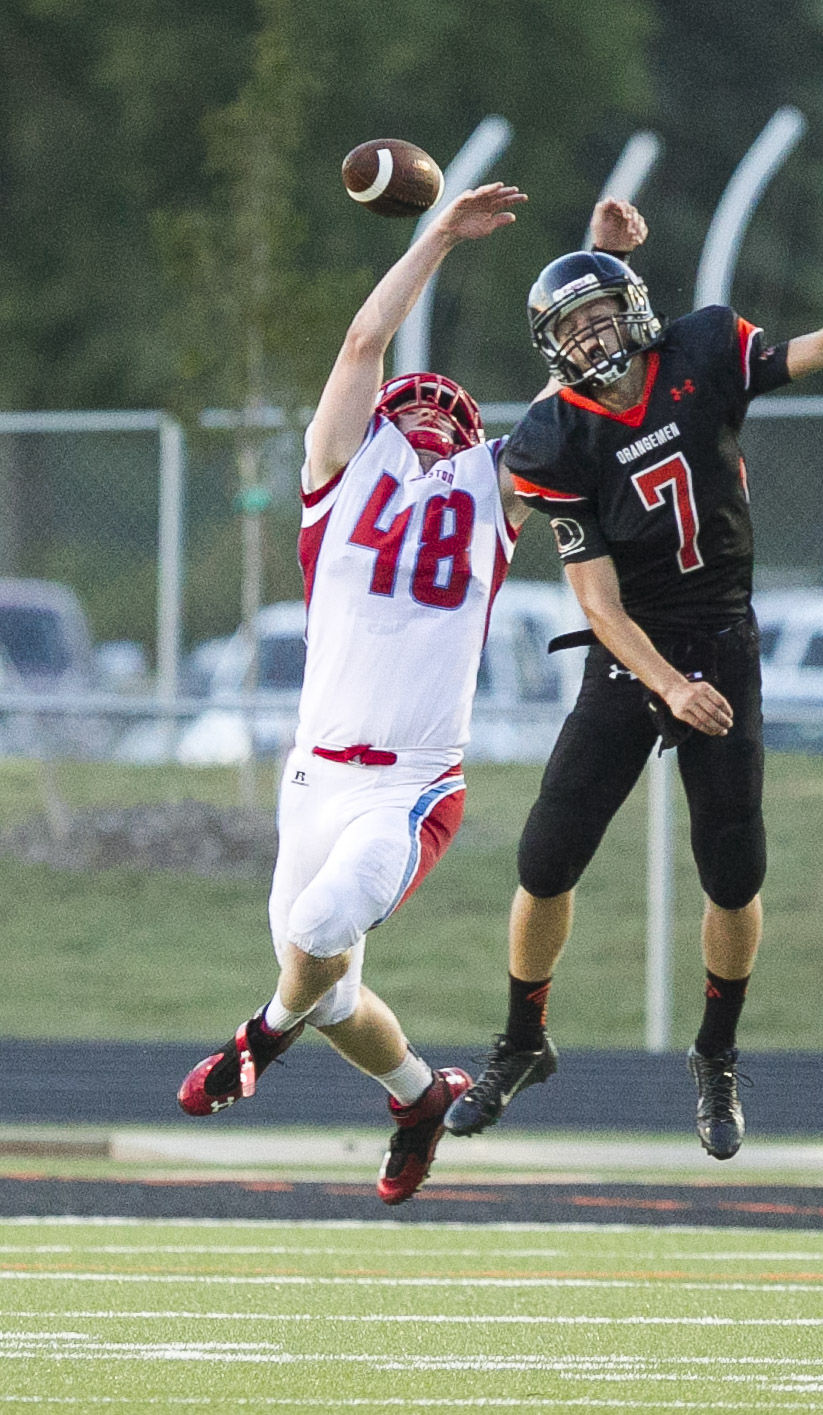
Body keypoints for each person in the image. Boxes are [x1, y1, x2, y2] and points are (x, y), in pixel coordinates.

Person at [443, 202, 823, 1158]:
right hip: (637, 659)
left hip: (725, 642)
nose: (591, 338)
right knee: (547, 856)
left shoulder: (700, 352)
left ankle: (716, 1055)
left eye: (599, 314)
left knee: (734, 871)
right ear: (553, 348)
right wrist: (667, 685)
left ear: (634, 308)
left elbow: (816, 348)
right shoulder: (554, 438)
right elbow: (601, 606)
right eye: (569, 329)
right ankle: (522, 1039)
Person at [176, 180, 531, 1207]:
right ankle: (419, 1099)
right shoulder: (340, 474)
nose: (422, 421)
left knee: (321, 930)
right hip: (314, 774)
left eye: (443, 416)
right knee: (333, 990)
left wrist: (602, 266)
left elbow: (577, 408)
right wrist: (434, 239)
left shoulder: (489, 495)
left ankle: (252, 1043)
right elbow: (363, 338)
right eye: (406, 409)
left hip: (410, 784)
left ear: (472, 442)